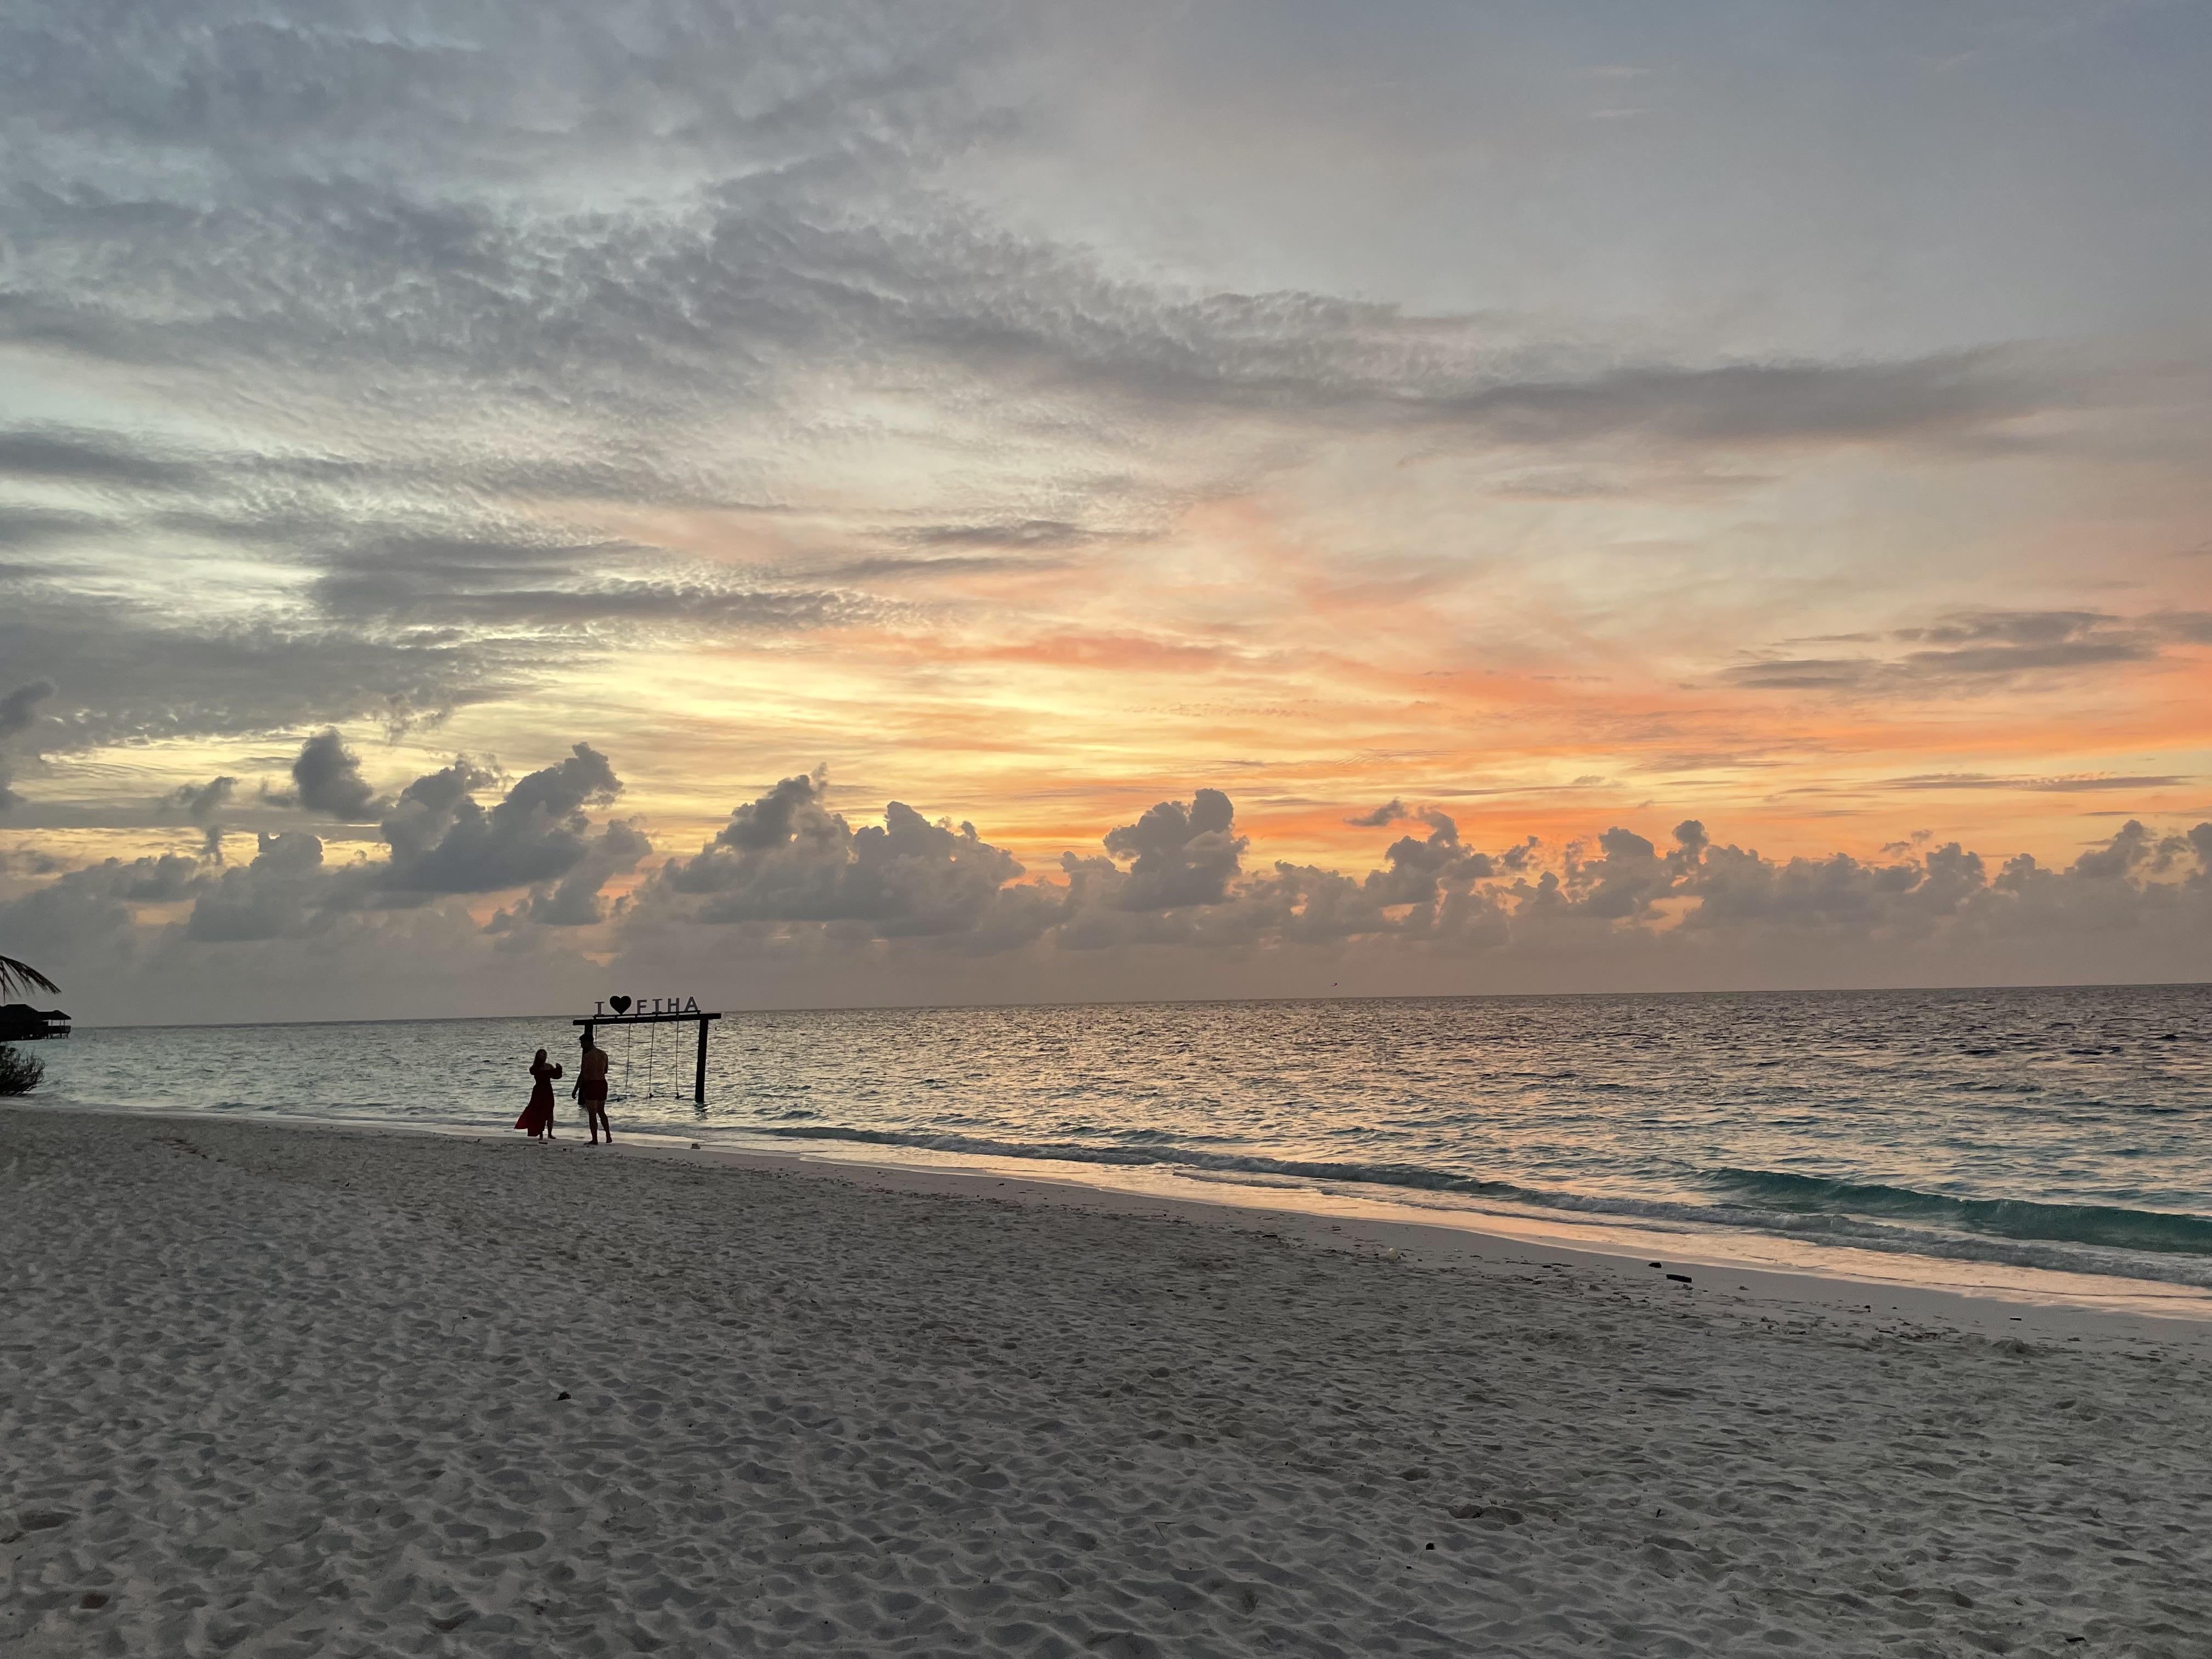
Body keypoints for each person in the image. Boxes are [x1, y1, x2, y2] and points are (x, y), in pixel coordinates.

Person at [573, 1032, 613, 1144]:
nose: (581, 1045)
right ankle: (608, 1136)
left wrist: (575, 1090)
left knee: (592, 1114)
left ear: (588, 1042)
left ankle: (595, 1139)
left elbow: (583, 1074)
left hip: (592, 1084)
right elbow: (605, 1070)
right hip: (602, 1083)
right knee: (601, 1111)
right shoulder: (604, 1054)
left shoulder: (587, 1056)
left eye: (582, 1043)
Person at [515, 1047, 562, 1139]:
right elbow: (534, 1072)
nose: (543, 1058)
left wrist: (559, 1069)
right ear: (537, 1057)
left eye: (544, 1056)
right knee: (539, 1113)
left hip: (548, 1090)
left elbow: (557, 1076)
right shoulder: (535, 1068)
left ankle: (550, 1134)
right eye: (541, 1056)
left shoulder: (549, 1066)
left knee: (550, 1112)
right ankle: (540, 1134)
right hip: (538, 1091)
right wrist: (553, 1071)